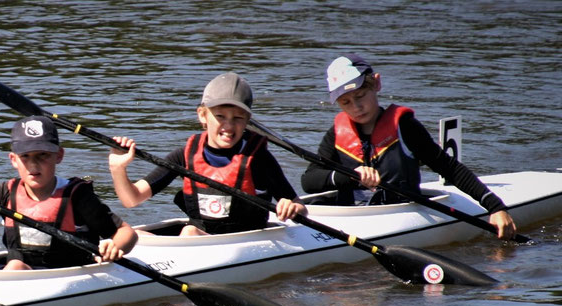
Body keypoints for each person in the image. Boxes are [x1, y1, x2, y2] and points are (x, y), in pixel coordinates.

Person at [301, 53, 517, 240]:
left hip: (401, 213)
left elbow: (450, 168)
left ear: (376, 83)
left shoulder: (406, 127)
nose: (356, 107)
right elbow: (309, 181)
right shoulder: (336, 134)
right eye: (346, 102)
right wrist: (348, 176)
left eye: (360, 96)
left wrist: (496, 207)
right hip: (350, 219)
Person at [0, 116, 137, 270]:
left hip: (66, 273)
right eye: (25, 156)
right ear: (13, 160)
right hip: (18, 276)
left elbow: (127, 233)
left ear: (59, 156)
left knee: (15, 266)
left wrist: (114, 248)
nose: (34, 164)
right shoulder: (4, 192)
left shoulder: (76, 196)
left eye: (43, 155)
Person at [107, 72, 306, 236]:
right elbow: (131, 199)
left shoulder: (258, 159)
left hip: (244, 239)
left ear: (248, 120)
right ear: (202, 115)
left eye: (238, 118)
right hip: (201, 240)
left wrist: (292, 208)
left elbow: (300, 208)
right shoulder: (183, 156)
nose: (228, 126)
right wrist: (117, 167)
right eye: (220, 116)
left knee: (189, 233)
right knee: (135, 234)